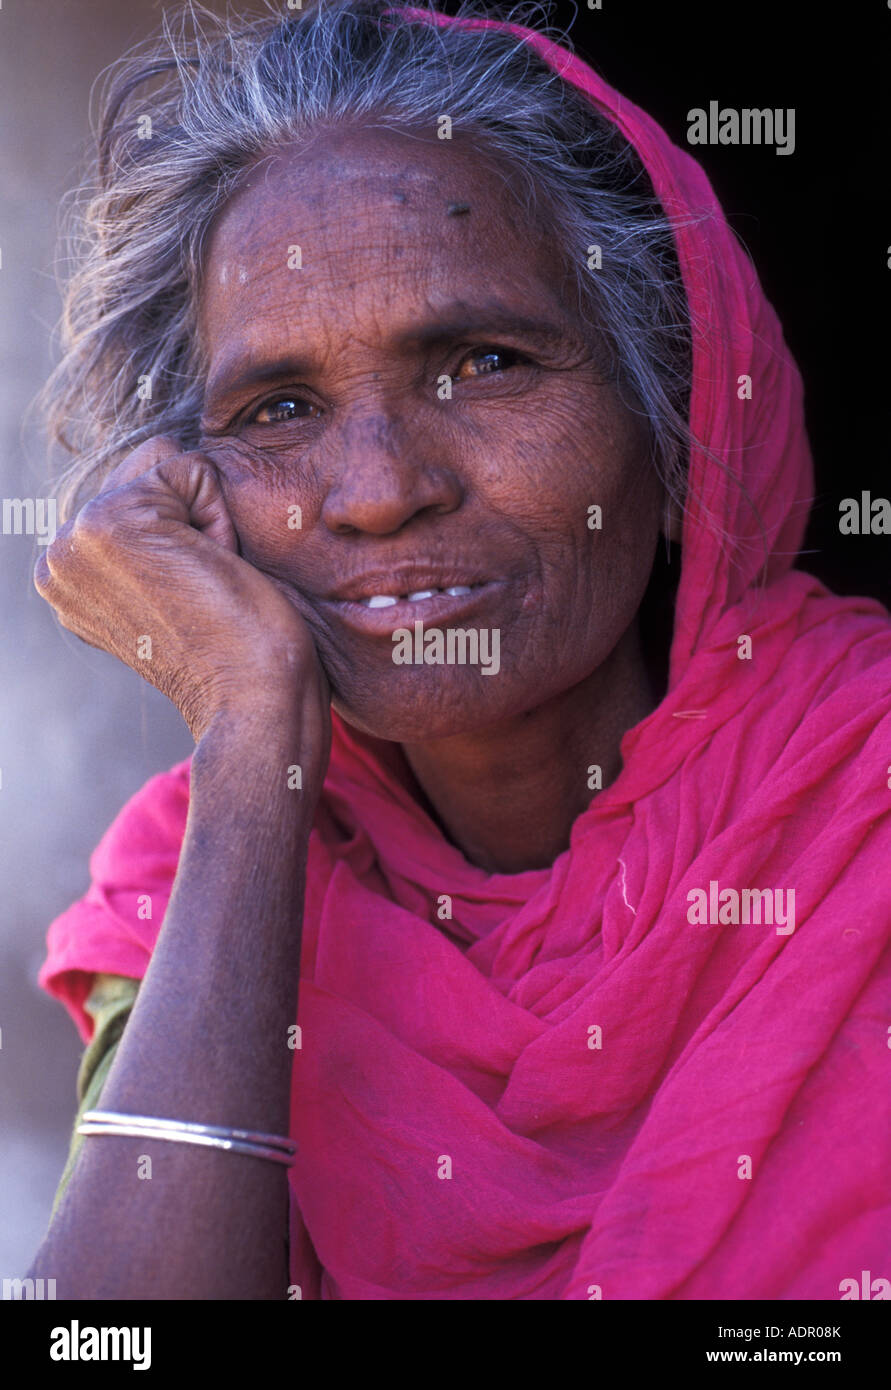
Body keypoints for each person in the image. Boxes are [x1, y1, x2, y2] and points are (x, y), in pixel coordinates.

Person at [28, 0, 891, 1300]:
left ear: (677, 416)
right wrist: (255, 736)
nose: (378, 488)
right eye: (279, 407)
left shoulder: (863, 798)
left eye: (485, 362)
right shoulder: (195, 882)